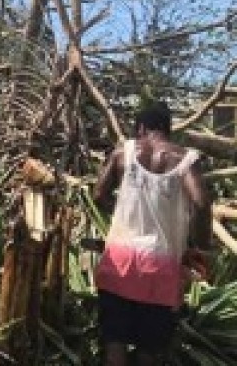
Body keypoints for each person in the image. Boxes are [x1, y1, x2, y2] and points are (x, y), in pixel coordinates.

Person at [92, 101, 214, 365]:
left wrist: (121, 211)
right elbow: (202, 204)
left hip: (119, 263)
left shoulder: (122, 154)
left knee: (115, 343)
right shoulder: (184, 160)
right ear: (167, 129)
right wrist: (201, 248)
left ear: (142, 127)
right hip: (161, 269)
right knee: (150, 350)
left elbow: (98, 195)